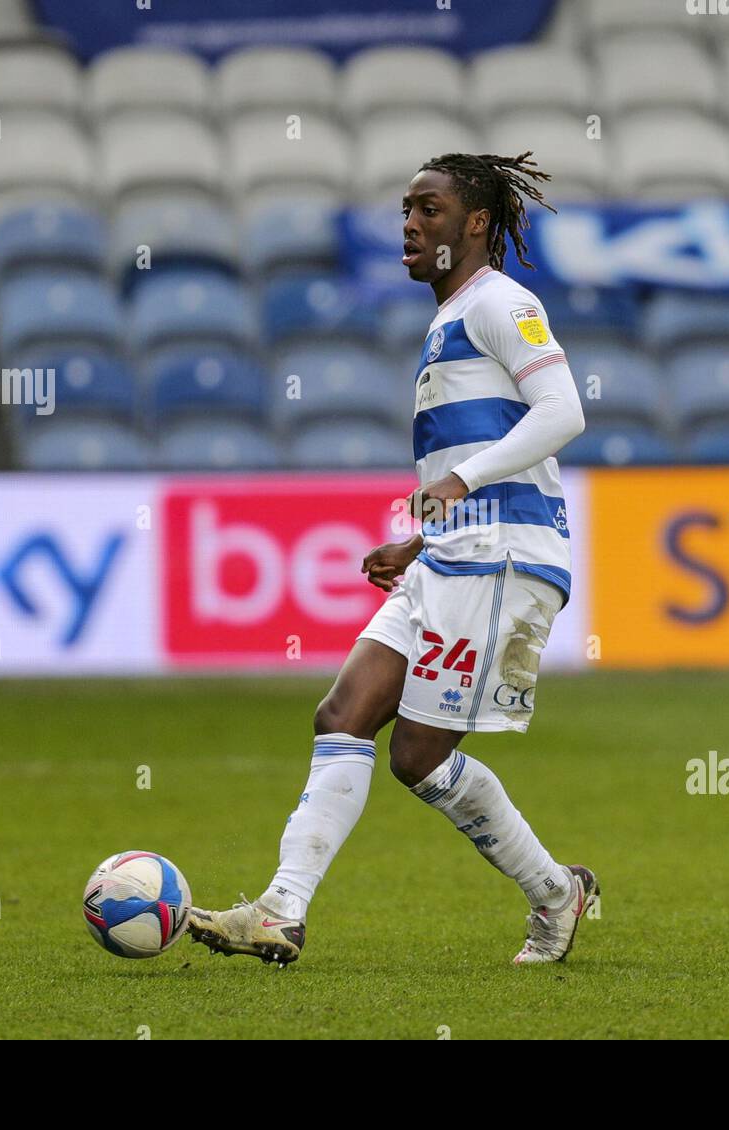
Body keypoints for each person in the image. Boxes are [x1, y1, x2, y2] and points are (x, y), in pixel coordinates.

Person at [187, 151, 597, 967]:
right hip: (454, 553)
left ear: (476, 223)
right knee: (343, 715)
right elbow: (488, 442)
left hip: (504, 560)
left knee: (417, 756)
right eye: (406, 210)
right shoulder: (450, 317)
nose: (409, 224)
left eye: (429, 209)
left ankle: (556, 893)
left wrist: (459, 481)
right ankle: (281, 910)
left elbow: (564, 412)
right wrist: (423, 535)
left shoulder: (502, 303)